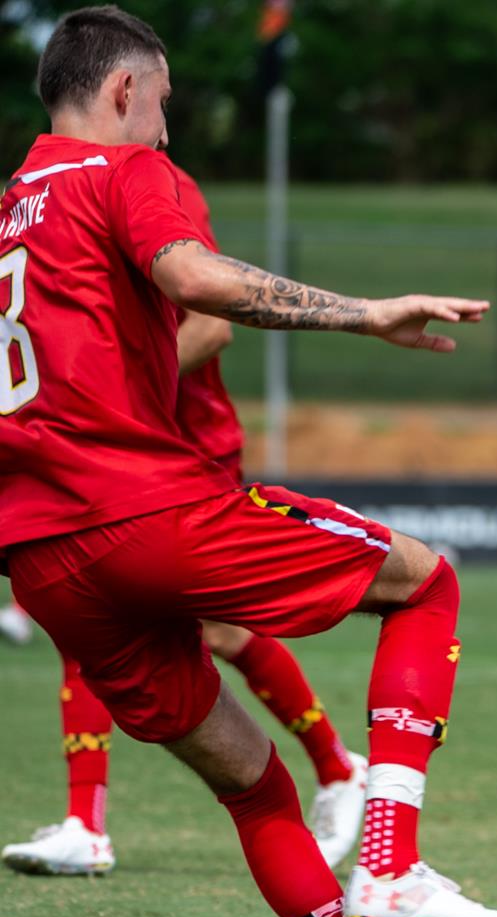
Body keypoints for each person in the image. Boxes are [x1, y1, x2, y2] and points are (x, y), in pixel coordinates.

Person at [0, 7, 497, 917]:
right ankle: (389, 860)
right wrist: (366, 312)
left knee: (254, 787)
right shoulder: (125, 171)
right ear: (128, 92)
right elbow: (197, 281)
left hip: (45, 562)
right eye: (168, 102)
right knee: (427, 580)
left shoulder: (11, 211)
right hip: (146, 509)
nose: (170, 128)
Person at [2, 159, 366, 878]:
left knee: (211, 627)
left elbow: (208, 326)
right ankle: (87, 821)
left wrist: (102, 396)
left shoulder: (153, 182)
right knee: (92, 608)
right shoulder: (37, 198)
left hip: (178, 443)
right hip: (108, 462)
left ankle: (335, 767)